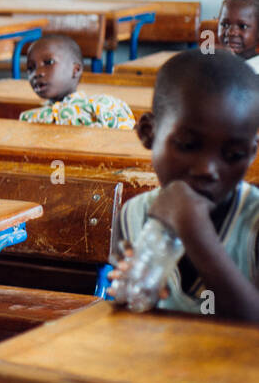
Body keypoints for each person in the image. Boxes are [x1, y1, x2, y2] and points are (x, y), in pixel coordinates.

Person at [107, 50, 259, 323]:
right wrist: (131, 291)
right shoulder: (133, 215)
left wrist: (195, 231)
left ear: (251, 153)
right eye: (188, 146)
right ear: (148, 133)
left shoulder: (254, 222)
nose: (208, 170)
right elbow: (129, 323)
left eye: (233, 155)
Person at [19, 34, 134, 128]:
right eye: (31, 68)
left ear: (76, 70)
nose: (37, 73)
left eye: (49, 62)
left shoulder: (104, 106)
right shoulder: (30, 118)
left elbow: (127, 143)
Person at [218, 0, 259, 74]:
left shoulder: (255, 73)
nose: (231, 32)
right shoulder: (215, 66)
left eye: (242, 26)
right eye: (225, 24)